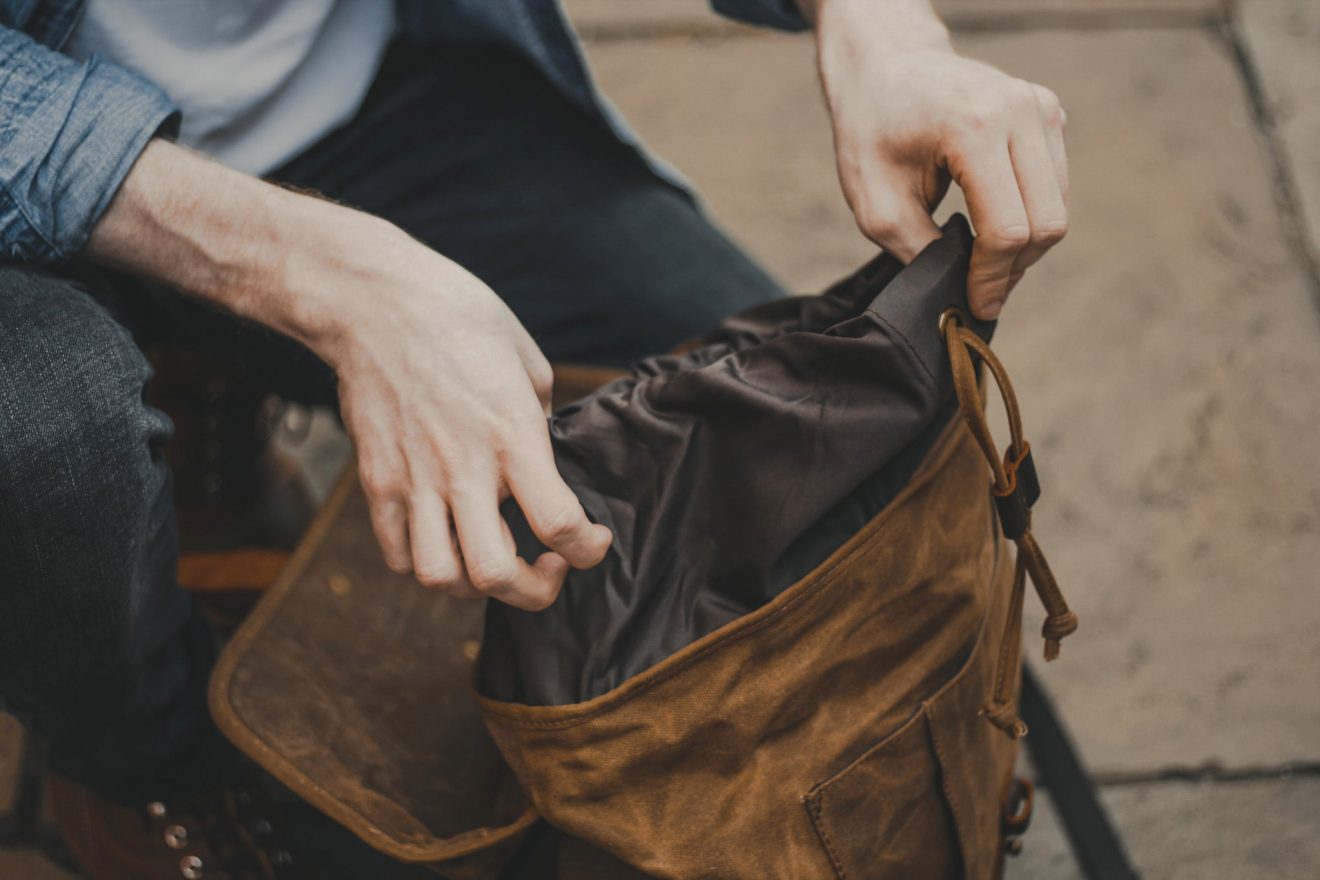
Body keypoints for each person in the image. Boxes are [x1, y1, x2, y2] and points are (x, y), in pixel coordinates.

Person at [0, 0, 1068, 875]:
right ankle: (141, 764)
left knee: (804, 467)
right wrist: (322, 277)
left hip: (347, 107)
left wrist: (877, 27)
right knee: (53, 425)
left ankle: (203, 411)